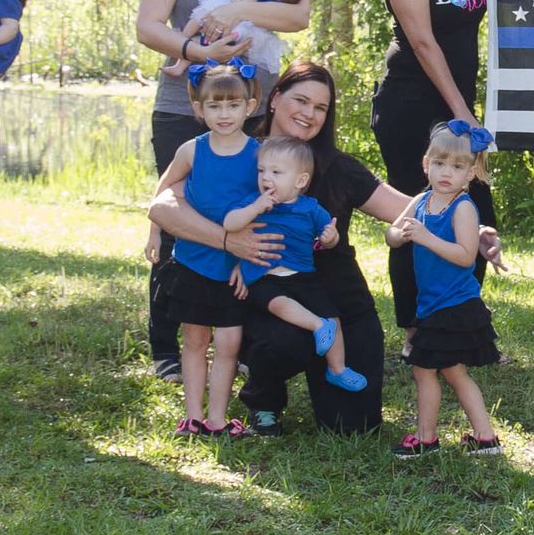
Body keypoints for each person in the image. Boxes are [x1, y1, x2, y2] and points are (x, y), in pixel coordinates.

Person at [151, 64, 466, 436]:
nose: (309, 113)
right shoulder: (239, 151)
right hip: (268, 293)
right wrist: (226, 242)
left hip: (337, 297)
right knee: (278, 342)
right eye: (301, 100)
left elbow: (405, 208)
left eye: (321, 107)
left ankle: (330, 374)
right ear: (274, 98)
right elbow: (163, 205)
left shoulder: (337, 166)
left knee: (352, 426)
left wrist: (470, 225)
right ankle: (263, 395)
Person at [140, 0, 306, 379]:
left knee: (252, 216)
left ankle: (242, 336)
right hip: (184, 107)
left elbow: (298, 17)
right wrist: (197, 50)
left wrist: (238, 14)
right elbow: (148, 26)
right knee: (180, 216)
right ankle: (168, 346)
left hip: (253, 112)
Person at [370, 0, 499, 342]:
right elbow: (424, 45)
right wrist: (461, 114)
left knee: (475, 208)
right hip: (411, 107)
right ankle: (415, 328)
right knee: (418, 214)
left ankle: (462, 327)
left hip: (457, 104)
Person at [163, 60, 271, 436]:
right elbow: (162, 194)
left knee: (229, 343)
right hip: (193, 261)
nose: (224, 114)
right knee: (195, 339)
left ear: (250, 105)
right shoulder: (191, 151)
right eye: (214, 106)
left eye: (232, 105)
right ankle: (193, 416)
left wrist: (248, 263)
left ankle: (217, 419)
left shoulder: (259, 155)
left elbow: (269, 211)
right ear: (198, 108)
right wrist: (151, 233)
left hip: (234, 268)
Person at [389, 123, 502, 457]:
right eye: (439, 163)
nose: (446, 173)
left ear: (471, 173)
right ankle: (484, 438)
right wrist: (401, 235)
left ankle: (426, 439)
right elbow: (393, 233)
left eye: (457, 166)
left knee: (424, 369)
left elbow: (466, 256)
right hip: (433, 304)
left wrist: (426, 237)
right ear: (426, 163)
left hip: (454, 304)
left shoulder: (463, 207)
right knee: (453, 372)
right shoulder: (422, 200)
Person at [222, 137, 368, 393]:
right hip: (264, 276)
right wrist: (254, 208)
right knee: (279, 303)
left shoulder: (311, 209)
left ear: (300, 181)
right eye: (262, 171)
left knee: (332, 314)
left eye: (276, 172)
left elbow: (329, 235)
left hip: (303, 276)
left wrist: (330, 239)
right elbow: (230, 224)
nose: (266, 178)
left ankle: (338, 368)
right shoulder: (252, 202)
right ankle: (317, 326)